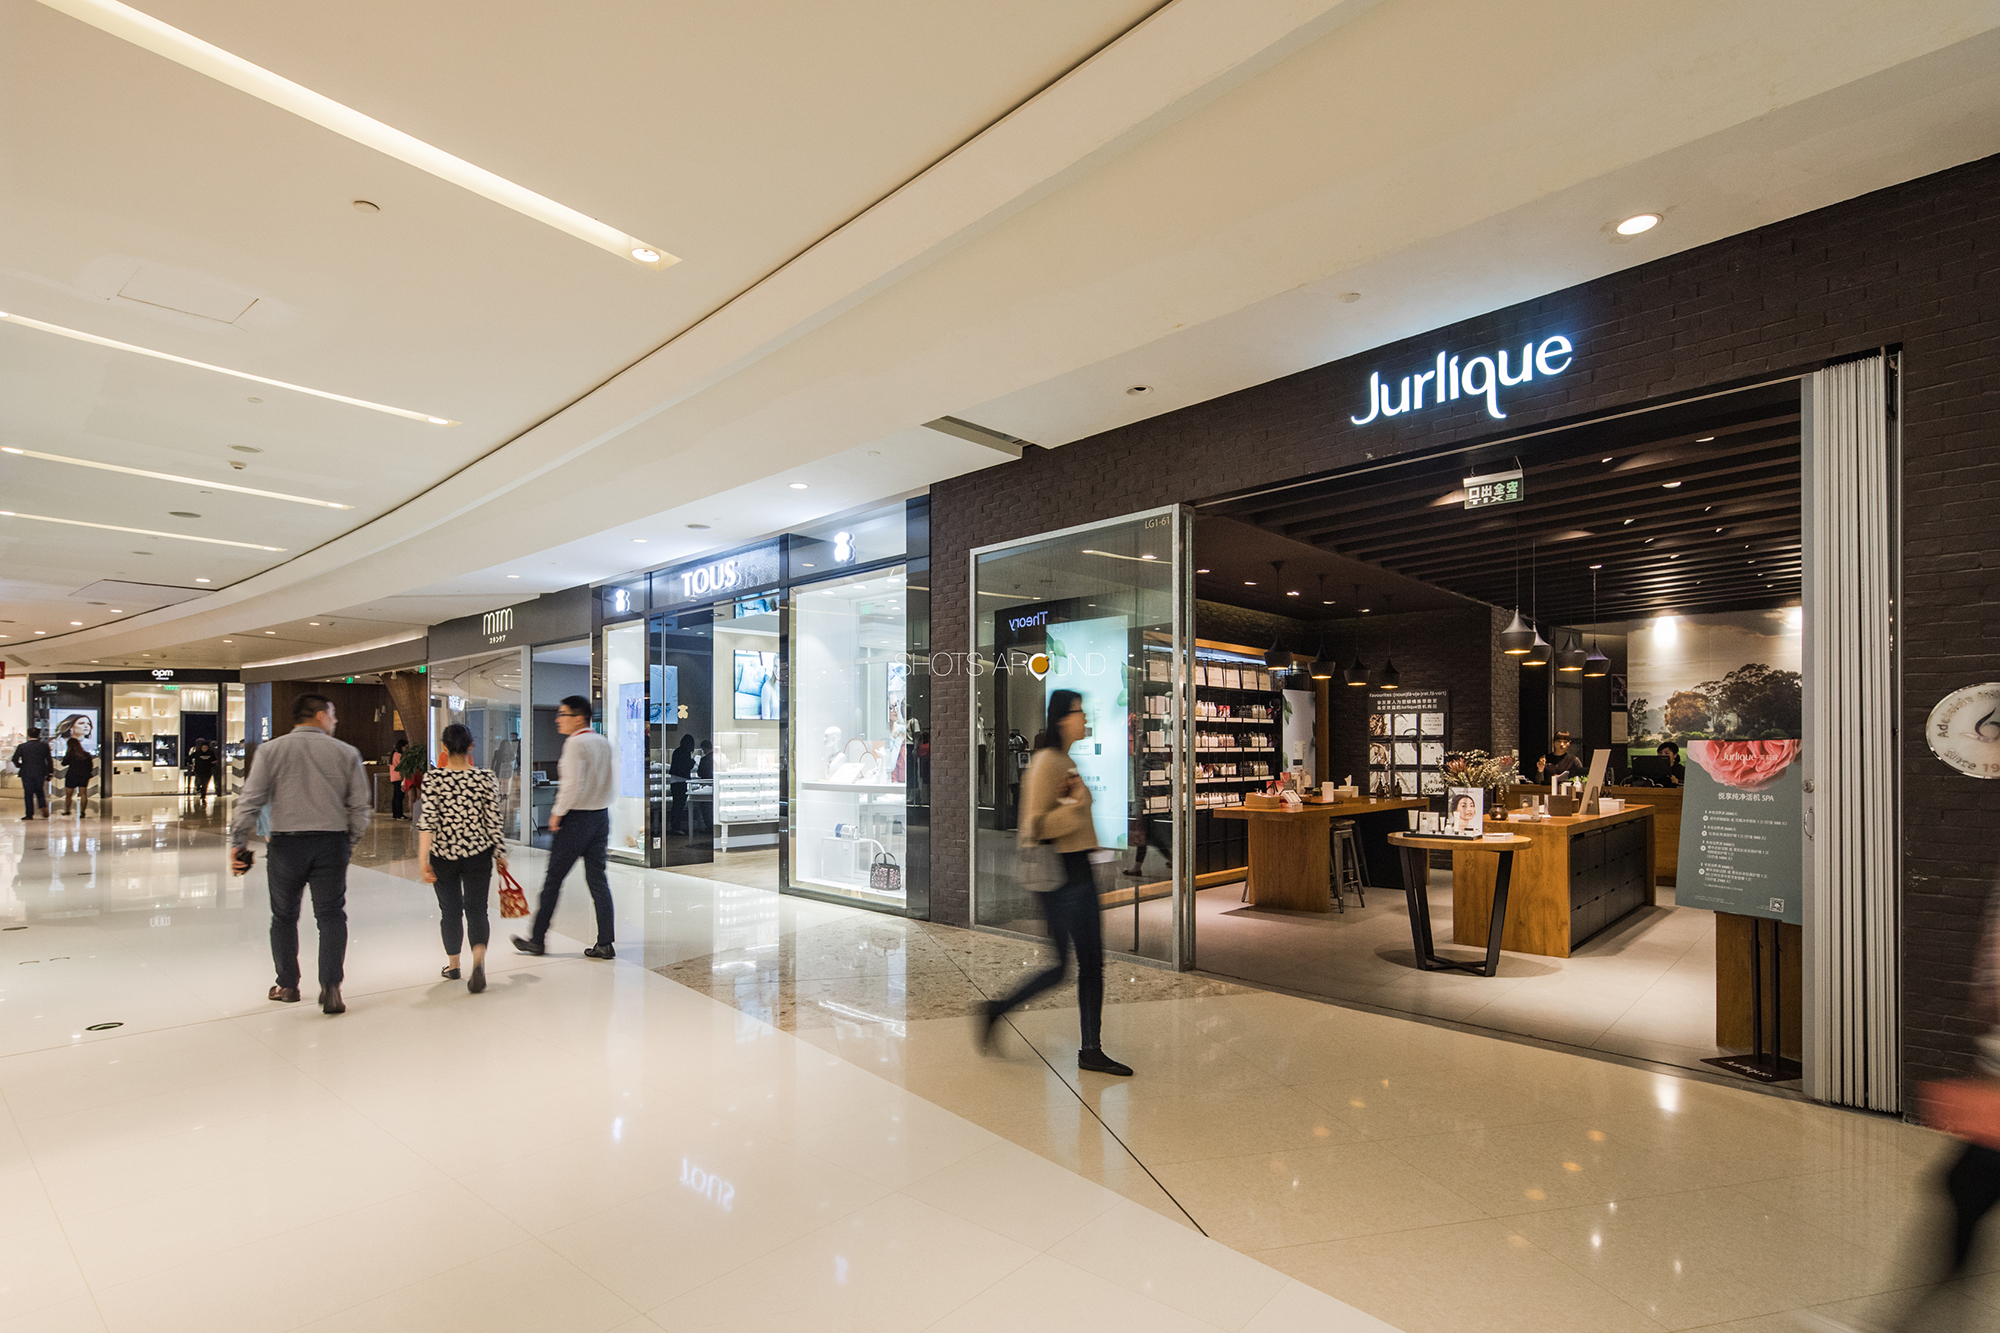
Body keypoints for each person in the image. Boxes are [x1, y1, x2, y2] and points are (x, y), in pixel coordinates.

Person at [978, 689, 1133, 1077]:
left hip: (1074, 872)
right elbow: (1036, 826)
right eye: (1080, 713)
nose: (1085, 719)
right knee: (1087, 965)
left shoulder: (1064, 760)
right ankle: (1089, 1050)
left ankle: (1000, 1011)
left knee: (1069, 966)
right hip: (1065, 878)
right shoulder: (1048, 762)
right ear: (1063, 719)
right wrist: (1079, 805)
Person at [230, 693, 371, 1015]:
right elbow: (360, 806)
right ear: (320, 716)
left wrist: (238, 843)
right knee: (332, 915)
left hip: (286, 845)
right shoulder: (346, 752)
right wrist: (349, 842)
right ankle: (331, 988)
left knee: (283, 916)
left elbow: (250, 800)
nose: (335, 721)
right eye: (332, 715)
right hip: (331, 842)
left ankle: (288, 985)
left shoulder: (270, 751)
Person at [513, 695, 615, 959]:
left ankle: (537, 940)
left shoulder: (574, 743)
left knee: (553, 880)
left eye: (563, 714)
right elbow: (611, 780)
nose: (558, 719)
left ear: (579, 718)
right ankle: (605, 942)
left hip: (576, 820)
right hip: (600, 817)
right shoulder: (603, 742)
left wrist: (557, 814)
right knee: (598, 881)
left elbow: (571, 785)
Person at [418, 723, 505, 993]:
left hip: (444, 856)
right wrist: (500, 853)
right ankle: (478, 963)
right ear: (471, 747)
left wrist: (423, 860)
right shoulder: (485, 777)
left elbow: (427, 822)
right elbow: (493, 820)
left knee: (451, 910)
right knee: (477, 909)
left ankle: (454, 965)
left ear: (444, 747)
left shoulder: (433, 779)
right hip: (479, 854)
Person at [11, 728, 52, 821]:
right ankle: (42, 806)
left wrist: (20, 766)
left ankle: (29, 814)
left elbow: (14, 759)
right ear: (38, 735)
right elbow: (49, 760)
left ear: (28, 735)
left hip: (26, 772)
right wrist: (50, 772)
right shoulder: (44, 746)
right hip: (40, 771)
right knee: (40, 791)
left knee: (28, 793)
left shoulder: (22, 746)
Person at [667, 733, 696, 835]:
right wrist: (692, 762)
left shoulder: (677, 751)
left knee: (676, 805)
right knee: (680, 805)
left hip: (674, 781)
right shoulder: (686, 753)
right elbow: (687, 767)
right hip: (681, 782)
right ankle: (677, 827)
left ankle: (674, 826)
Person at [60, 737, 94, 816]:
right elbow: (90, 766)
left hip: (72, 775)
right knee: (83, 794)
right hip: (83, 776)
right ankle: (82, 812)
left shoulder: (70, 754)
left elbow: (63, 763)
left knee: (69, 795)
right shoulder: (86, 754)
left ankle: (67, 810)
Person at [389, 739, 409, 820]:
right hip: (398, 777)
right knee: (399, 797)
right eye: (405, 747)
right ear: (402, 746)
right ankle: (399, 814)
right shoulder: (399, 755)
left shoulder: (393, 754)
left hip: (393, 777)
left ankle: (395, 814)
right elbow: (403, 767)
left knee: (395, 797)